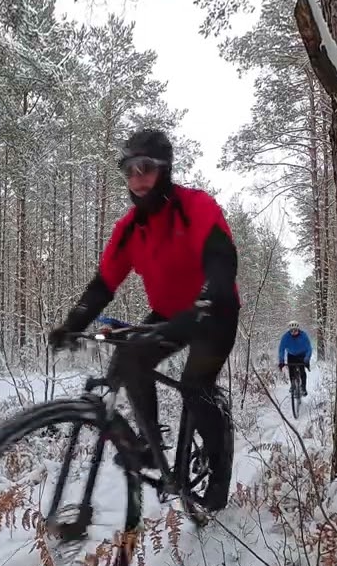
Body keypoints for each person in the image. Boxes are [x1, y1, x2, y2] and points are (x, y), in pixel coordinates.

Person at [47, 128, 240, 512]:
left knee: (194, 386)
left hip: (214, 309)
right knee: (131, 358)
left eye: (146, 168)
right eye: (129, 171)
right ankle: (150, 449)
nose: (137, 180)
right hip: (168, 313)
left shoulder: (195, 206)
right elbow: (104, 283)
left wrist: (205, 302)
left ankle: (218, 470)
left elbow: (221, 259)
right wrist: (74, 323)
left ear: (165, 169)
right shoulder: (130, 229)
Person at [278, 321, 312, 396]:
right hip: (291, 355)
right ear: (289, 331)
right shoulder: (286, 337)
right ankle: (292, 385)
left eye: (295, 330)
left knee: (302, 370)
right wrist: (281, 361)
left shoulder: (304, 336)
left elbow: (309, 348)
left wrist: (307, 359)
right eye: (291, 331)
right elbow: (281, 349)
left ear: (298, 330)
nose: (293, 332)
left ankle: (303, 387)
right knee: (291, 370)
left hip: (301, 355)